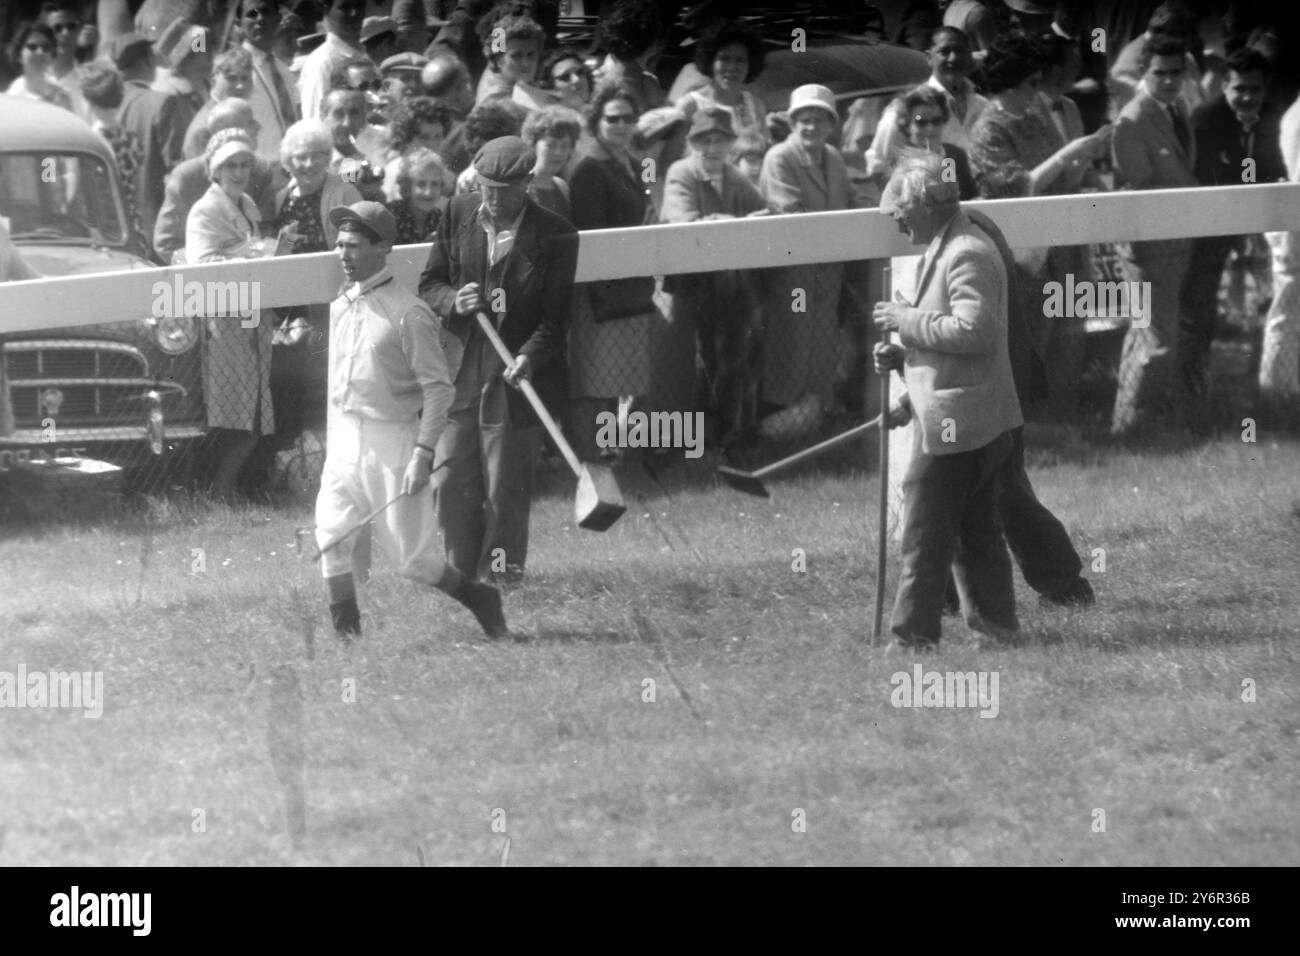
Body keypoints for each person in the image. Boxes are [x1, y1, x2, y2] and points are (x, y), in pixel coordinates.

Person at [318, 199, 509, 641]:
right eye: (340, 244)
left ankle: (480, 597)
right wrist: (335, 446)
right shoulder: (340, 305)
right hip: (345, 438)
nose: (343, 254)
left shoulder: (409, 313)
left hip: (394, 441)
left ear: (383, 248)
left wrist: (423, 453)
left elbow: (439, 389)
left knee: (414, 562)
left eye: (355, 245)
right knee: (330, 539)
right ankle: (348, 644)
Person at [871, 151, 1024, 652]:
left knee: (924, 535)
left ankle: (911, 640)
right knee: (977, 532)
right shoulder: (950, 243)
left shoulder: (965, 252)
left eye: (899, 205)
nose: (893, 215)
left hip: (961, 426)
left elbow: (975, 332)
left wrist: (903, 320)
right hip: (974, 419)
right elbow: (953, 340)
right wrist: (901, 355)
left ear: (926, 203)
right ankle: (997, 630)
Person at [418, 137, 578, 586]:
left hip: (515, 375)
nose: (492, 197)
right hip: (461, 369)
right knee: (449, 480)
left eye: (504, 189)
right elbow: (429, 284)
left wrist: (529, 355)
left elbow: (555, 319)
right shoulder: (456, 212)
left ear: (527, 182)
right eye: (486, 186)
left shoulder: (557, 235)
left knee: (504, 487)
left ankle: (501, 579)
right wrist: (454, 298)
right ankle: (460, 577)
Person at [967, 34, 1112, 419]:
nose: (1037, 91)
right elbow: (1019, 186)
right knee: (1029, 336)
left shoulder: (1033, 117)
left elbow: (1060, 180)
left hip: (1062, 242)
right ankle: (1021, 421)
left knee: (1070, 333)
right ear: (1009, 83)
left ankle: (1060, 415)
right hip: (1021, 252)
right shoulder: (987, 130)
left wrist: (1084, 158)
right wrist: (1069, 152)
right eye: (1032, 83)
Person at [1181, 47, 1287, 409]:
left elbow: (1278, 168)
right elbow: (1202, 175)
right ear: (1224, 86)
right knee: (1199, 305)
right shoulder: (1205, 119)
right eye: (1239, 88)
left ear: (1265, 88)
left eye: (1255, 89)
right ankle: (1192, 387)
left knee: (1268, 304)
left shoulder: (1277, 118)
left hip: (1264, 222)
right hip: (1211, 224)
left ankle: (1263, 390)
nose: (1247, 97)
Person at [661, 107, 768, 447]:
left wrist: (728, 220)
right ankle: (689, 439)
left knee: (735, 357)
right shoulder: (681, 172)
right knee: (695, 361)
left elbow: (765, 211)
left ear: (730, 143)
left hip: (732, 285)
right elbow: (684, 221)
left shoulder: (735, 175)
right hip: (690, 285)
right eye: (704, 140)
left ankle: (729, 433)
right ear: (693, 143)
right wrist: (730, 221)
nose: (712, 148)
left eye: (720, 140)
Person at [1109, 34, 1199, 437]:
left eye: (1175, 72)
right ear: (1143, 71)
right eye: (1159, 73)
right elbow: (1138, 187)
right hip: (1148, 247)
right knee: (1157, 343)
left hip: (1177, 241)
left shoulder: (1176, 106)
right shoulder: (1131, 119)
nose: (1168, 80)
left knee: (1145, 335)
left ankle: (1130, 424)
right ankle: (1136, 431)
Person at [758, 83, 860, 431]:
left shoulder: (832, 157)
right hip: (795, 271)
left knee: (823, 337)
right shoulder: (780, 158)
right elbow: (790, 214)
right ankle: (784, 412)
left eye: (819, 119)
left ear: (831, 124)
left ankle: (821, 407)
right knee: (794, 336)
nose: (811, 126)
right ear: (792, 122)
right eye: (804, 119)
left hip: (830, 270)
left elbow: (853, 200)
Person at [566, 85, 658, 461]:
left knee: (626, 377)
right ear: (595, 122)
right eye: (612, 118)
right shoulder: (588, 168)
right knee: (599, 378)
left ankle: (622, 453)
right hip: (602, 294)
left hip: (635, 285)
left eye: (627, 118)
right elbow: (593, 235)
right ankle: (593, 456)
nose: (621, 125)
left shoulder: (636, 165)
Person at [185, 130, 276, 500]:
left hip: (254, 316)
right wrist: (251, 256)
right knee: (238, 411)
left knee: (253, 407)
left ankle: (229, 488)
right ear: (215, 169)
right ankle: (220, 489)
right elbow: (201, 264)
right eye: (230, 165)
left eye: (244, 165)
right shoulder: (205, 210)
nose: (238, 172)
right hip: (225, 321)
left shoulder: (248, 204)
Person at [155, 98, 280, 264]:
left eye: (244, 165)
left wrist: (283, 244)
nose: (258, 127)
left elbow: (265, 230)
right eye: (250, 122)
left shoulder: (259, 173)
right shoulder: (186, 178)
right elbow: (167, 243)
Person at [864, 27, 989, 187]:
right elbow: (879, 166)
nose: (953, 58)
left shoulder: (983, 106)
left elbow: (950, 182)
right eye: (944, 51)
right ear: (929, 57)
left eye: (960, 51)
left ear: (969, 56)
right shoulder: (906, 107)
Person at [113, 33, 186, 262]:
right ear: (147, 60)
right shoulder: (162, 102)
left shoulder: (101, 107)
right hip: (155, 229)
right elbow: (178, 171)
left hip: (114, 231)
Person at [80, 63, 150, 259]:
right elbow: (139, 193)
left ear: (88, 100)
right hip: (134, 229)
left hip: (102, 235)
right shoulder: (133, 141)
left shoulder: (88, 145)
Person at [876, 84, 977, 200]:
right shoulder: (899, 164)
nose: (930, 128)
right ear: (907, 125)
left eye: (936, 120)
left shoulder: (956, 155)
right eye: (921, 122)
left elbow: (971, 197)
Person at [240, 0, 302, 164]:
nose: (260, 19)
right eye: (251, 14)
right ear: (239, 23)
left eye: (266, 12)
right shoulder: (236, 71)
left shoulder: (282, 69)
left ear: (278, 19)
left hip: (292, 165)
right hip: (257, 169)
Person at [298, 0, 368, 125]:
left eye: (359, 6)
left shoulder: (363, 56)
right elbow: (314, 121)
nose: (354, 13)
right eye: (345, 7)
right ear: (327, 11)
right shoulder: (322, 62)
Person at [183, 48, 256, 160]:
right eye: (232, 78)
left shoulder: (238, 114)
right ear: (213, 80)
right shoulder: (205, 128)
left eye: (245, 78)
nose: (240, 86)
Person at [520, 105, 582, 221]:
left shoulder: (562, 187)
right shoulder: (521, 186)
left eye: (565, 146)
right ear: (533, 145)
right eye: (550, 145)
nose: (558, 152)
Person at [474, 11, 545, 105]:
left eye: (531, 55)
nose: (526, 63)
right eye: (516, 56)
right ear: (497, 59)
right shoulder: (496, 101)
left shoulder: (516, 85)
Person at [7, 23, 74, 112]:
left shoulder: (63, 97)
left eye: (46, 47)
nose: (40, 52)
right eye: (32, 47)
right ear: (19, 55)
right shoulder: (11, 99)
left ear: (52, 55)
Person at [388, 147, 449, 244]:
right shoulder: (390, 216)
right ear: (407, 185)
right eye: (421, 184)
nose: (428, 192)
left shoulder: (441, 219)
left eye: (434, 184)